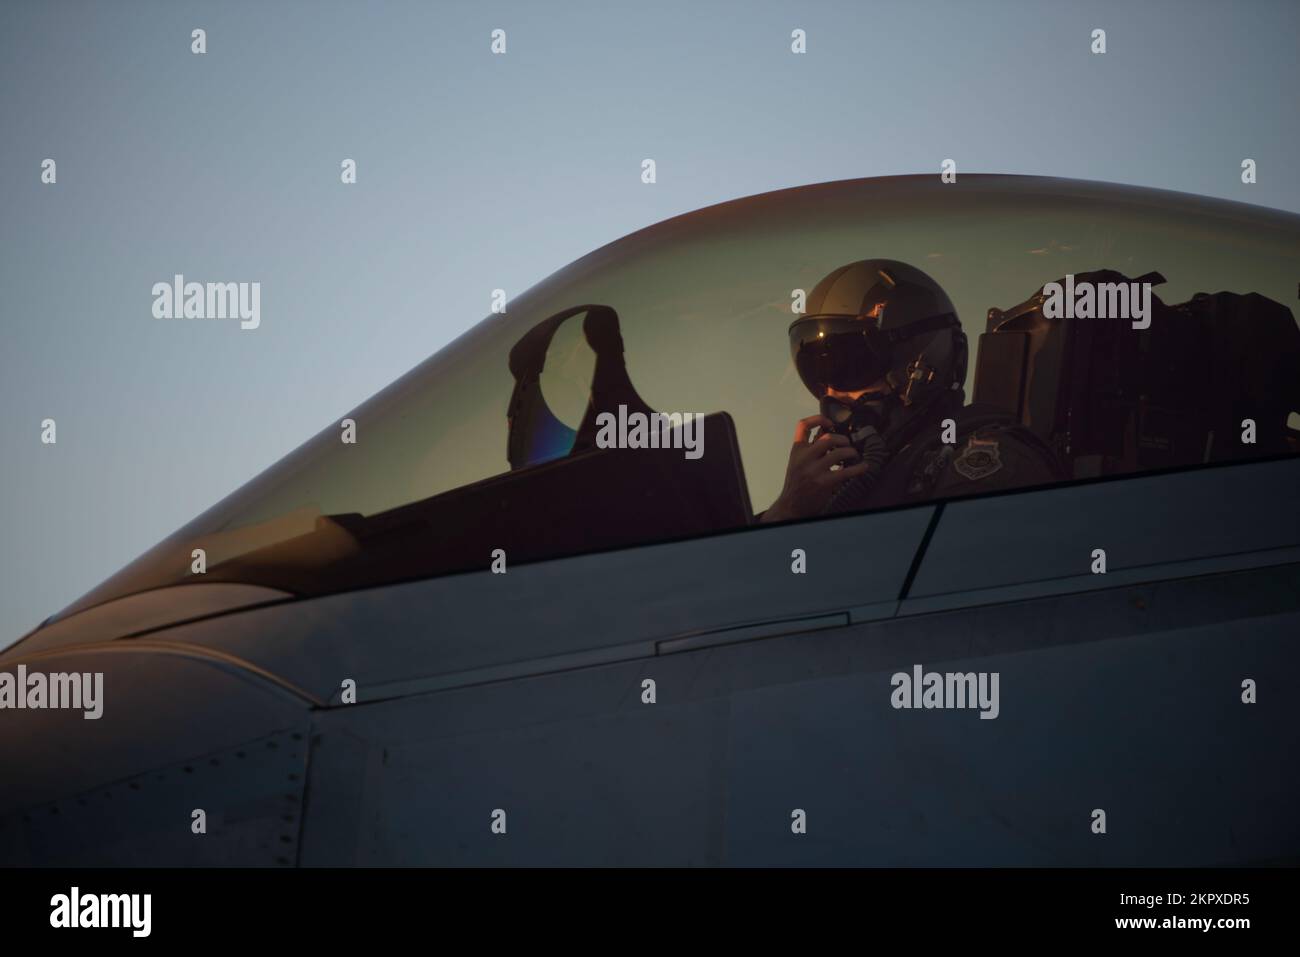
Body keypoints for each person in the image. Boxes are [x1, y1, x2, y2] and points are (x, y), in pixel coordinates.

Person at [761, 259, 1066, 523]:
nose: (829, 393)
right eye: (815, 373)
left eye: (847, 366)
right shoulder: (849, 485)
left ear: (917, 368)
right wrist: (788, 510)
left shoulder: (984, 467)